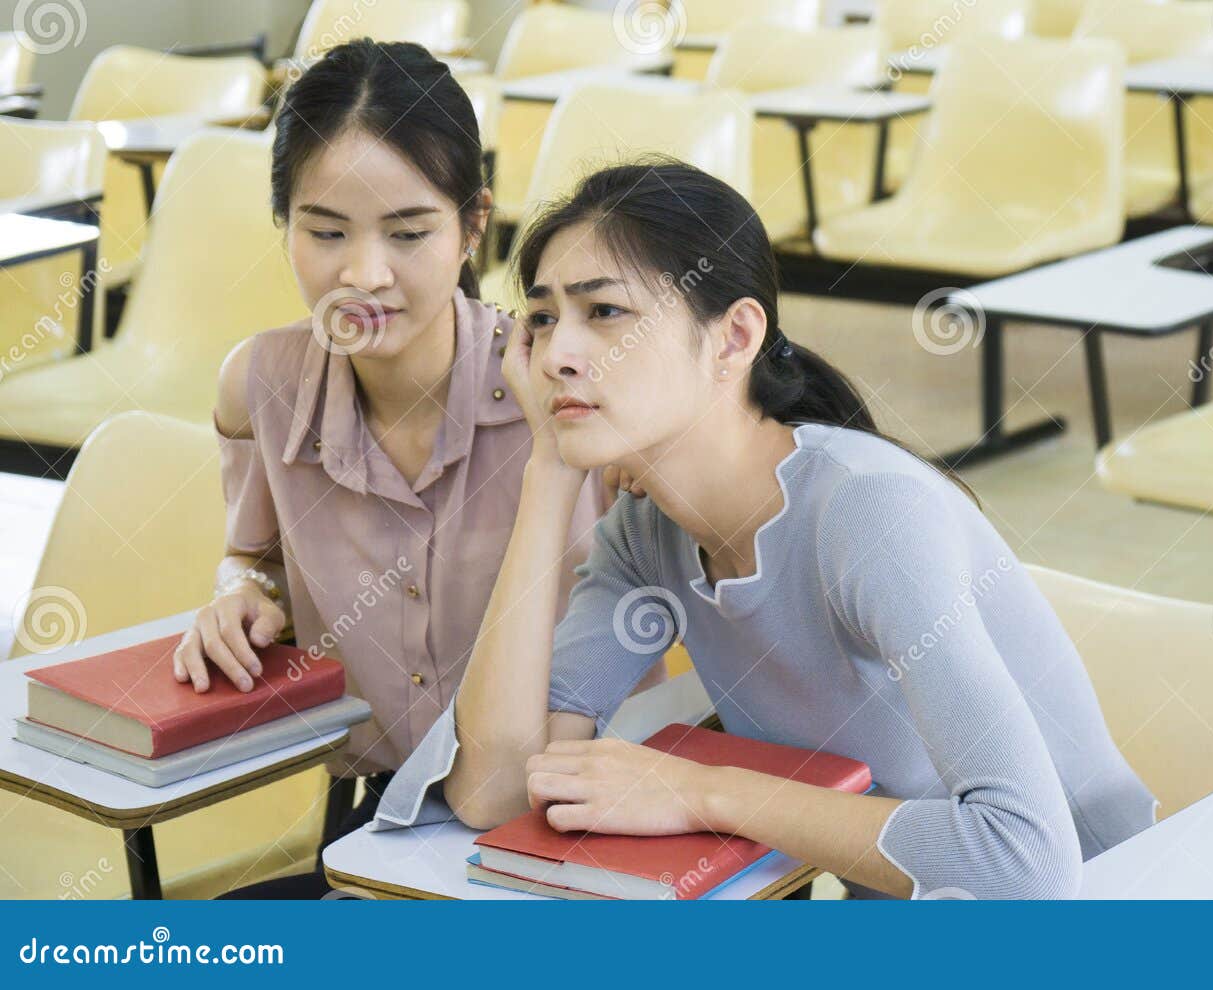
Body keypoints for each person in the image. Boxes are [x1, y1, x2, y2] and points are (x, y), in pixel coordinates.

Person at [376, 160, 1156, 899]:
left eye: (605, 311)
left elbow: (1022, 863)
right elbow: (491, 790)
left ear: (736, 338)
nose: (557, 356)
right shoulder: (646, 536)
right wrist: (547, 476)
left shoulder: (868, 513)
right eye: (542, 319)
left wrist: (699, 791)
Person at [180, 39, 617, 898]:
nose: (363, 276)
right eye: (325, 231)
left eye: (409, 232)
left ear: (474, 225)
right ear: (285, 224)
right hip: (374, 821)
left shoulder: (567, 388)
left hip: (566, 823)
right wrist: (238, 594)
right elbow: (256, 561)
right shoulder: (258, 386)